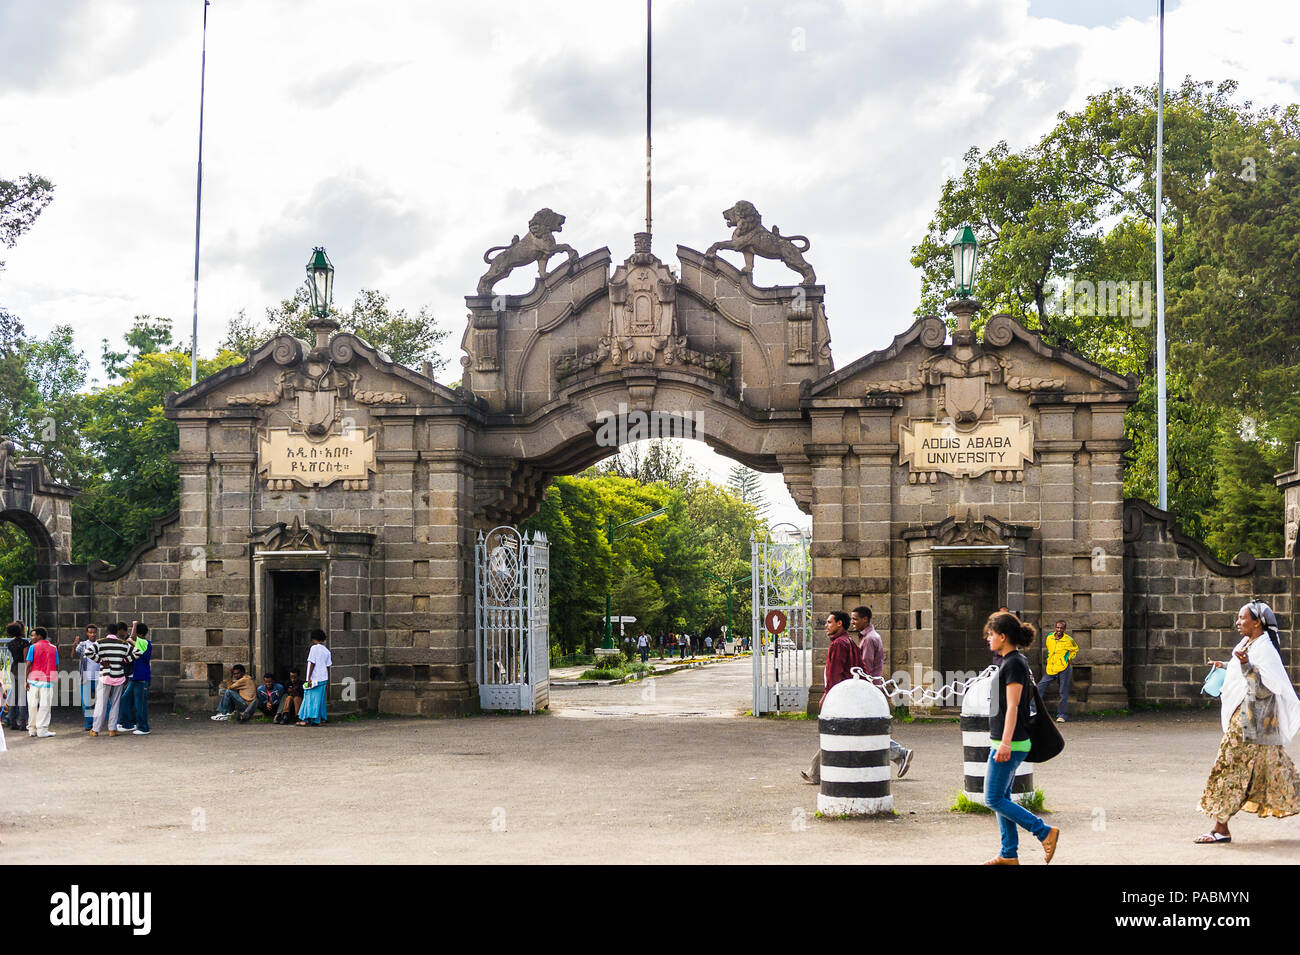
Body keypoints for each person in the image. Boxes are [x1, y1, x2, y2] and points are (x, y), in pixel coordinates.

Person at [1195, 600, 1300, 844]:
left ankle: (1221, 828)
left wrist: (1245, 667)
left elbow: (1265, 688)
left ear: (1257, 622)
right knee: (1277, 770)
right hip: (1253, 722)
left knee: (1230, 767)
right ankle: (1221, 827)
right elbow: (1243, 668)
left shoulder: (1265, 650)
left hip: (1251, 721)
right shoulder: (1248, 643)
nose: (1238, 622)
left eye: (1242, 618)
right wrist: (1227, 665)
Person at [982, 611, 1059, 865]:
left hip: (1011, 742)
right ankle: (1008, 853)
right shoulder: (1011, 661)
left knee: (992, 798)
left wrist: (1004, 743)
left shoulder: (1014, 663)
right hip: (1006, 740)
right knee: (1002, 798)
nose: (988, 639)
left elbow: (1014, 706)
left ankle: (1043, 831)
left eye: (991, 635)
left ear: (1003, 637)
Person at [850, 606, 913, 777]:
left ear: (865, 619)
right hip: (873, 687)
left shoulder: (869, 639)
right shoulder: (870, 636)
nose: (853, 622)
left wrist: (857, 688)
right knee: (866, 728)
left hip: (869, 689)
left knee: (865, 728)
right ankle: (899, 755)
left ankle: (900, 753)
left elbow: (865, 668)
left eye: (855, 619)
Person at [803, 611, 858, 784]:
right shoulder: (849, 642)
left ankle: (816, 772)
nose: (826, 625)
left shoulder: (838, 645)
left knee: (833, 734)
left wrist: (828, 696)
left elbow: (834, 675)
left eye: (829, 622)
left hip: (840, 697)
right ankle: (816, 771)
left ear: (839, 623)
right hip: (850, 694)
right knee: (845, 734)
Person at [88, 622, 138, 736]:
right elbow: (137, 652)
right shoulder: (123, 644)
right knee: (115, 704)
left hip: (105, 677)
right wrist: (125, 660)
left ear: (107, 632)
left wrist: (100, 660)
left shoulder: (100, 642)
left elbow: (88, 652)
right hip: (119, 677)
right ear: (117, 632)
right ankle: (112, 729)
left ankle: (95, 729)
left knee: (101, 703)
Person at [1037, 619, 1078, 723]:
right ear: (1055, 628)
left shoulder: (1069, 639)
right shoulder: (1050, 637)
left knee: (1063, 692)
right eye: (1057, 627)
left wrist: (1067, 658)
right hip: (1051, 667)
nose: (1059, 629)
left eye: (1061, 628)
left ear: (1064, 629)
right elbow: (1050, 650)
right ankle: (1032, 709)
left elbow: (1075, 649)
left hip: (1063, 668)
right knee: (1040, 687)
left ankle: (1062, 715)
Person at [117, 623, 152, 735]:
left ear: (139, 634)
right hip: (135, 677)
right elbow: (132, 640)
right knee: (125, 698)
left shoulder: (144, 643)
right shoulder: (140, 642)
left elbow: (131, 639)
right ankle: (127, 723)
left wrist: (134, 625)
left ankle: (143, 727)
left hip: (142, 677)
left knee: (140, 703)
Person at [24, 627, 58, 738]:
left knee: (32, 706)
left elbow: (28, 665)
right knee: (45, 706)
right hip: (47, 681)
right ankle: (42, 730)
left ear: (39, 636)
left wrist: (25, 680)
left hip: (33, 680)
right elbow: (56, 665)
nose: (32, 637)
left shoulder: (33, 647)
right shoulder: (53, 648)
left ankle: (32, 729)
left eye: (33, 635)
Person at [297, 630, 333, 726]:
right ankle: (317, 720)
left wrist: (308, 678)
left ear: (314, 639)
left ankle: (305, 719)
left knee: (309, 699)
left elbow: (312, 663)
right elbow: (328, 666)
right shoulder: (327, 651)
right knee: (319, 700)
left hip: (314, 679)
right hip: (323, 678)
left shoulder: (314, 648)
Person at [75, 625, 100, 731]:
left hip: (99, 678)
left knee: (104, 702)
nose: (92, 634)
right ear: (87, 633)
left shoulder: (100, 644)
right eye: (90, 632)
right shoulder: (83, 645)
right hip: (86, 678)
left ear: (97, 633)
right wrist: (74, 644)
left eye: (94, 632)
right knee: (87, 703)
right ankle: (89, 723)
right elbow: (74, 653)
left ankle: (111, 722)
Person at [4, 622, 29, 731]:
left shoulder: (10, 644)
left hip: (13, 668)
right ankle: (23, 723)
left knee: (14, 695)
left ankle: (12, 721)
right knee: (23, 697)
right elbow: (25, 658)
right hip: (22, 668)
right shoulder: (25, 643)